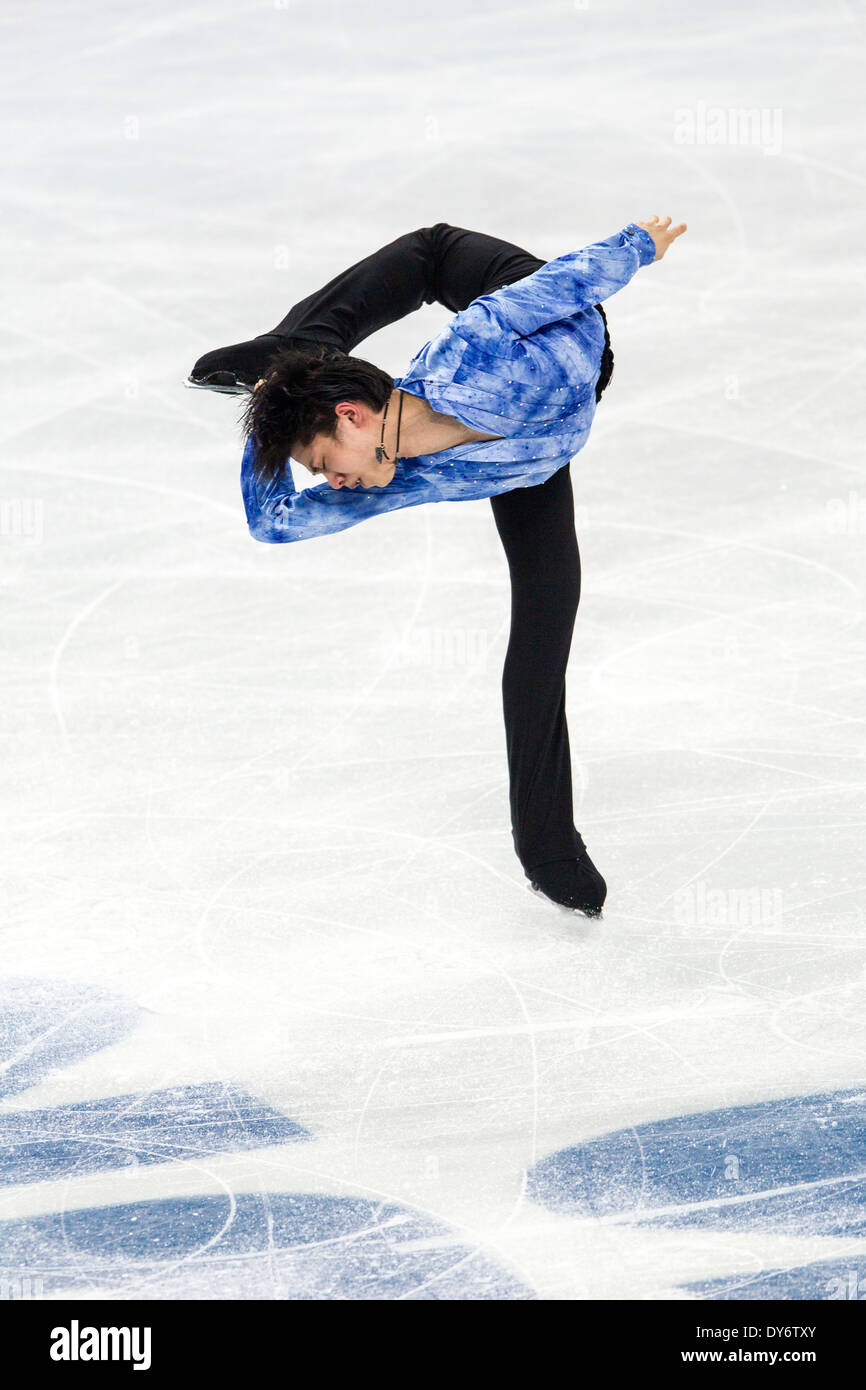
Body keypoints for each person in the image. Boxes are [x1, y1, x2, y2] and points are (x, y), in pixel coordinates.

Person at [187, 215, 686, 916]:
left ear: (355, 418)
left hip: (542, 314)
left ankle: (300, 347)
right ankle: (547, 848)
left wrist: (640, 244)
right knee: (541, 644)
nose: (331, 482)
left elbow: (567, 284)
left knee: (428, 252)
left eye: (324, 464)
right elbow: (273, 521)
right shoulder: (399, 475)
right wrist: (272, 412)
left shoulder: (475, 346)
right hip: (532, 462)